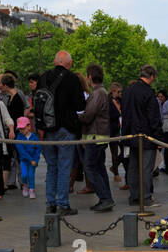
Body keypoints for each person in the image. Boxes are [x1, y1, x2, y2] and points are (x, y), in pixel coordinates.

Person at [34, 50, 84, 216]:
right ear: (69, 64)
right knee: (64, 167)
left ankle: (50, 203)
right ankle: (63, 203)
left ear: (55, 61)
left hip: (47, 130)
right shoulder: (72, 78)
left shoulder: (43, 77)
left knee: (52, 167)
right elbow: (79, 105)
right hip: (65, 129)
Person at [121, 64, 162, 207]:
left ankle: (134, 197)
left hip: (130, 136)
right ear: (151, 76)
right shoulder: (148, 92)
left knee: (133, 167)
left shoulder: (127, 91)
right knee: (146, 168)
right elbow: (153, 117)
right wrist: (157, 137)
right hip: (147, 136)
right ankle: (145, 198)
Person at [79, 63, 114, 212]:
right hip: (101, 134)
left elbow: (88, 115)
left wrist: (77, 115)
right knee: (99, 167)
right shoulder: (102, 92)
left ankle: (105, 198)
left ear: (90, 77)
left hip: (96, 135)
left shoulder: (97, 93)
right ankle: (107, 198)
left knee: (90, 166)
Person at [14, 116, 41, 199]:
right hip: (24, 160)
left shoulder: (35, 137)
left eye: (23, 128)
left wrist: (36, 160)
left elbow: (38, 149)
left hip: (33, 161)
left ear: (29, 126)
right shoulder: (19, 137)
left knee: (31, 175)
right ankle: (25, 185)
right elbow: (21, 151)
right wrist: (31, 159)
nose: (21, 130)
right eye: (20, 129)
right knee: (24, 175)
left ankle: (32, 190)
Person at [108, 81, 125, 184]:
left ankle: (114, 167)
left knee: (124, 152)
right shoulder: (108, 101)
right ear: (113, 91)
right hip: (112, 130)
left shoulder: (121, 101)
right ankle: (116, 173)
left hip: (122, 130)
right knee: (114, 152)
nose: (120, 94)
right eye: (118, 92)